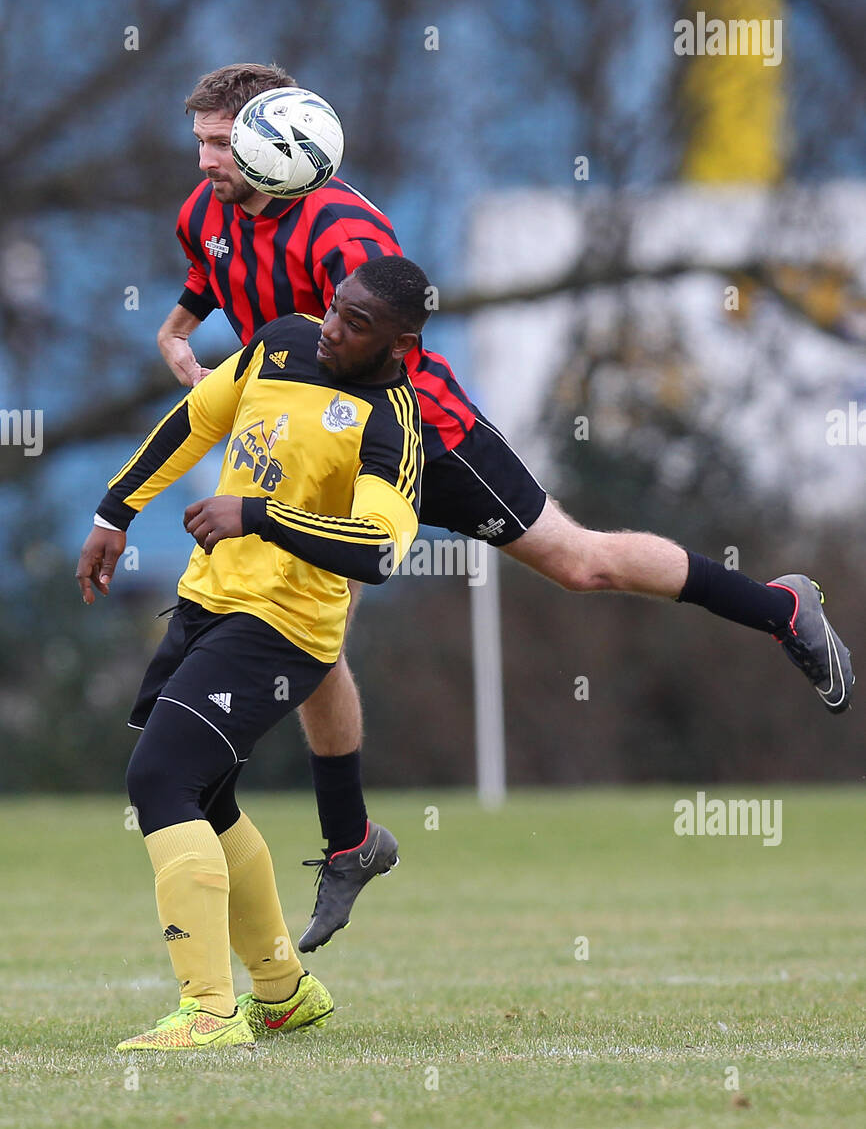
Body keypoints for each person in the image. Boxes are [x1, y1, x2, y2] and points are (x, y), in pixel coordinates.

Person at [158, 61, 855, 956]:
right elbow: (203, 290)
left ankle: (782, 607)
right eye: (205, 142)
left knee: (581, 562)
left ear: (275, 141)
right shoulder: (204, 212)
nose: (209, 158)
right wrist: (178, 340)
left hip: (416, 434)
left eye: (223, 143)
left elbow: (386, 346)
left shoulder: (344, 227)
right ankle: (351, 843)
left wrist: (316, 421)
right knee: (308, 631)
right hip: (309, 451)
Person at [75, 257, 425, 1050]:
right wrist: (113, 510)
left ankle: (207, 1009)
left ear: (400, 346)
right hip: (210, 600)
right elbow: (198, 418)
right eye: (337, 309)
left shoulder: (392, 428)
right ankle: (281, 992)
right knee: (207, 797)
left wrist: (260, 514)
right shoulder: (281, 343)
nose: (334, 327)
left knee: (160, 778)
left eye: (358, 324)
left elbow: (375, 549)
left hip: (284, 629)